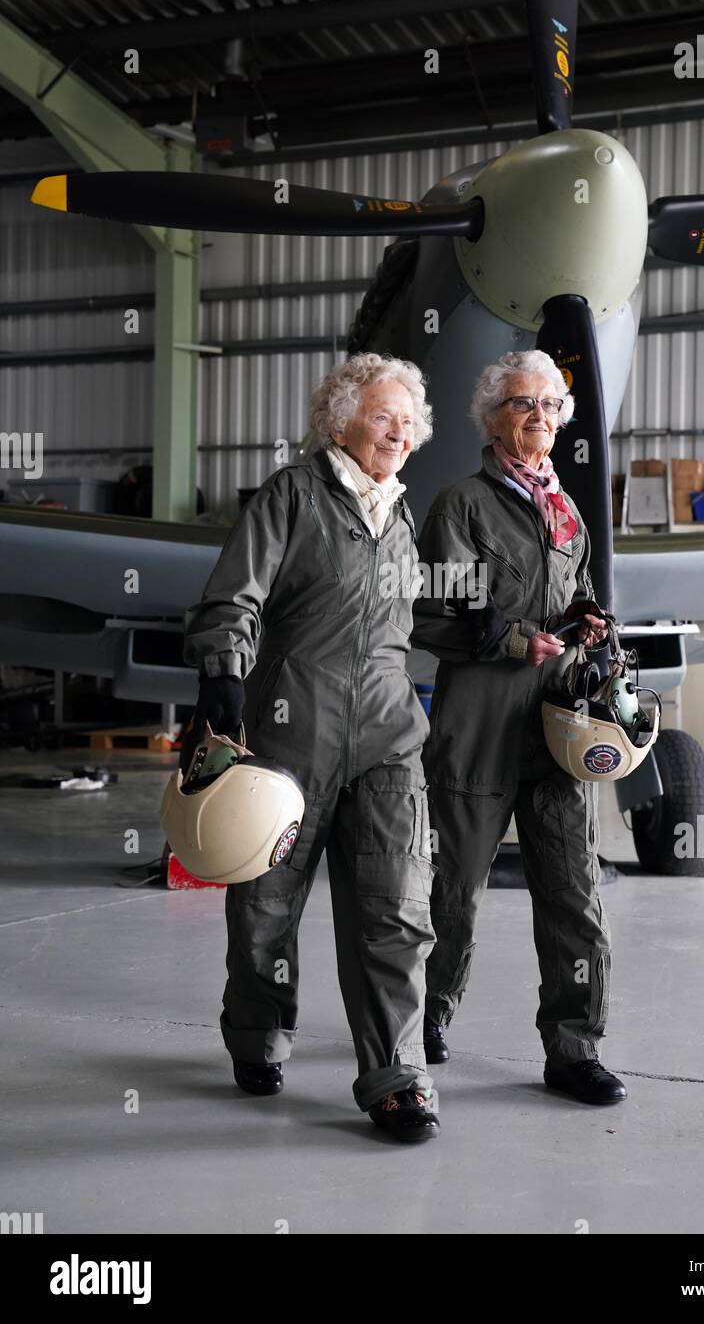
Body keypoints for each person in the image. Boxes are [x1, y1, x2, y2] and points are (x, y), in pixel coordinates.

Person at [182, 353, 440, 1143]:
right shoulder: (293, 494)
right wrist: (224, 675)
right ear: (340, 420)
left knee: (397, 907)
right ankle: (258, 1036)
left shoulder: (404, 518)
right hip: (292, 729)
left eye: (407, 421)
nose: (397, 433)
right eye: (382, 416)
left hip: (389, 736)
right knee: (266, 902)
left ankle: (397, 1079)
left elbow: (413, 626)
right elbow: (234, 593)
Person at [411, 349, 626, 1105]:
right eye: (523, 403)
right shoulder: (462, 506)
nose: (540, 416)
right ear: (492, 417)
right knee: (452, 891)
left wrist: (588, 620)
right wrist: (511, 641)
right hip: (478, 729)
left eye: (551, 405)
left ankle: (574, 1051)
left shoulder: (567, 511)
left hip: (559, 729)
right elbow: (431, 615)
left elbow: (578, 594)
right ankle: (422, 1020)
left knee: (574, 894)